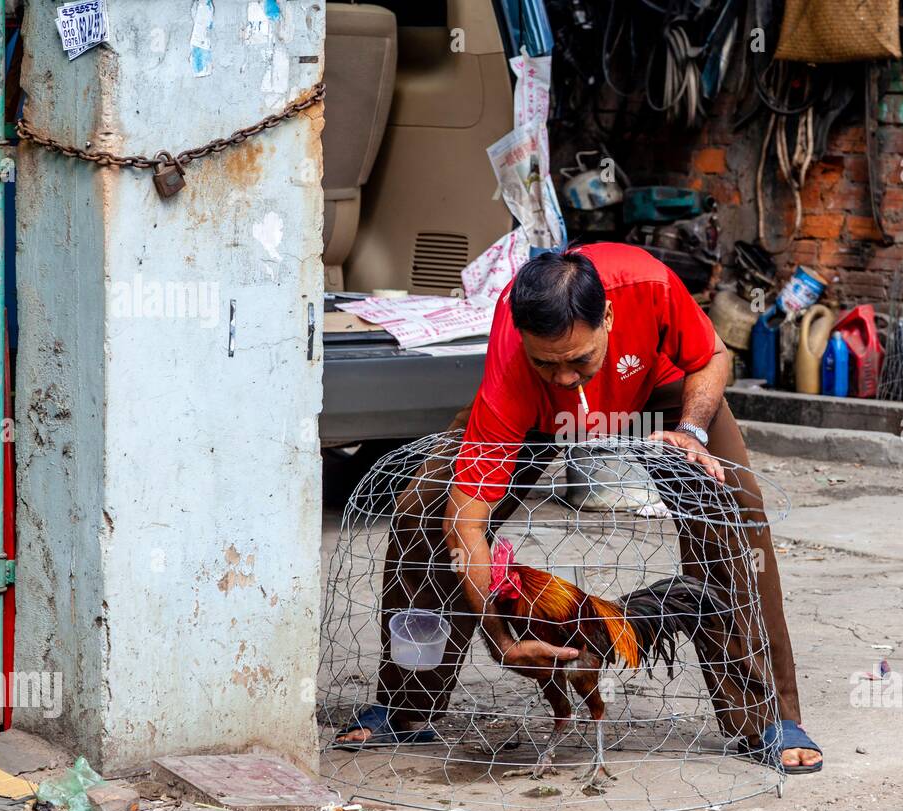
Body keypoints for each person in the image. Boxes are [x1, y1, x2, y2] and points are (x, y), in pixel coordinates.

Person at [336, 243, 822, 773]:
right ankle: (407, 705)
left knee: (733, 509)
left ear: (609, 317)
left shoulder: (650, 285)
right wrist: (500, 638)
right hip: (536, 415)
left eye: (579, 359)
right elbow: (467, 526)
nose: (566, 377)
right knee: (425, 512)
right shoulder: (512, 369)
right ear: (522, 338)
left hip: (659, 390)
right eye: (548, 362)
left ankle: (769, 715)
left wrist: (691, 431)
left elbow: (709, 357)